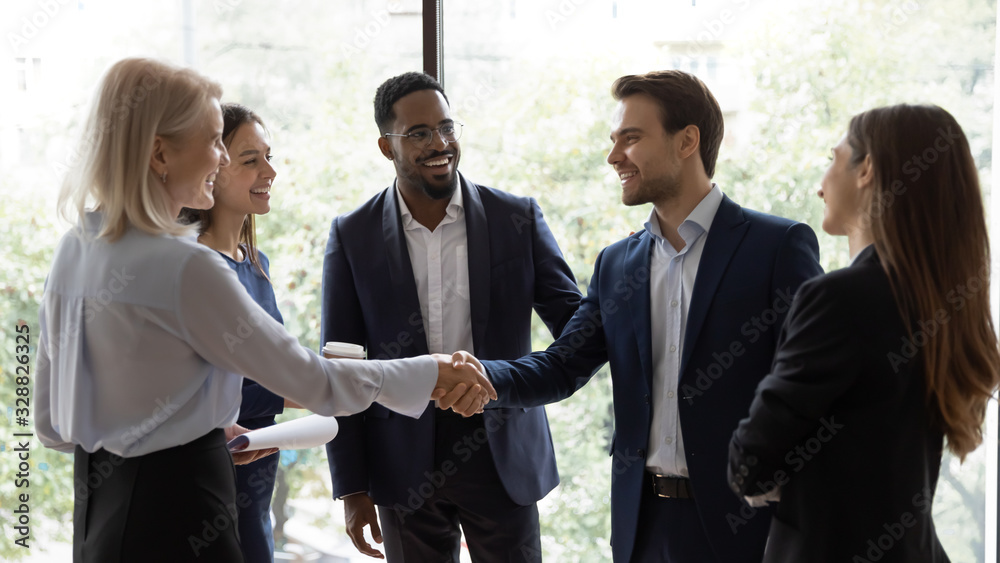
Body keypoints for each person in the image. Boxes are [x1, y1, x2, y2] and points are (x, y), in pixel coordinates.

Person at [34, 57, 493, 563]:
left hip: (98, 518)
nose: (218, 158)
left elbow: (52, 426)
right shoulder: (188, 266)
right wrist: (432, 371)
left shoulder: (75, 246)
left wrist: (201, 430)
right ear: (160, 153)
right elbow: (313, 381)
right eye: (213, 141)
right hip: (185, 515)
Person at [457, 70, 824, 562]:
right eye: (613, 141)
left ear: (686, 140)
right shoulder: (617, 264)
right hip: (642, 527)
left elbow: (813, 386)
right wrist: (484, 376)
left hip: (747, 525)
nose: (613, 157)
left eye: (631, 138)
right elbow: (562, 365)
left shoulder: (777, 246)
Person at [322, 71, 581, 561]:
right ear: (387, 147)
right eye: (418, 133)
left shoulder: (517, 219)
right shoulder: (352, 235)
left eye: (446, 127)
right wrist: (352, 488)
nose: (439, 143)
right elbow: (342, 365)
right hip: (401, 463)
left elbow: (576, 330)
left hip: (502, 451)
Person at [727, 104, 1000, 562]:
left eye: (833, 159)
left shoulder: (839, 298)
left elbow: (749, 465)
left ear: (866, 169)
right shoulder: (942, 303)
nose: (820, 184)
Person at [180, 103, 288, 563]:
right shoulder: (189, 267)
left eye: (269, 156)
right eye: (251, 160)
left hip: (257, 479)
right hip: (205, 479)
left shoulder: (257, 265)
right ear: (214, 168)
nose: (271, 171)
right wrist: (322, 382)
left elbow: (271, 366)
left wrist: (330, 375)